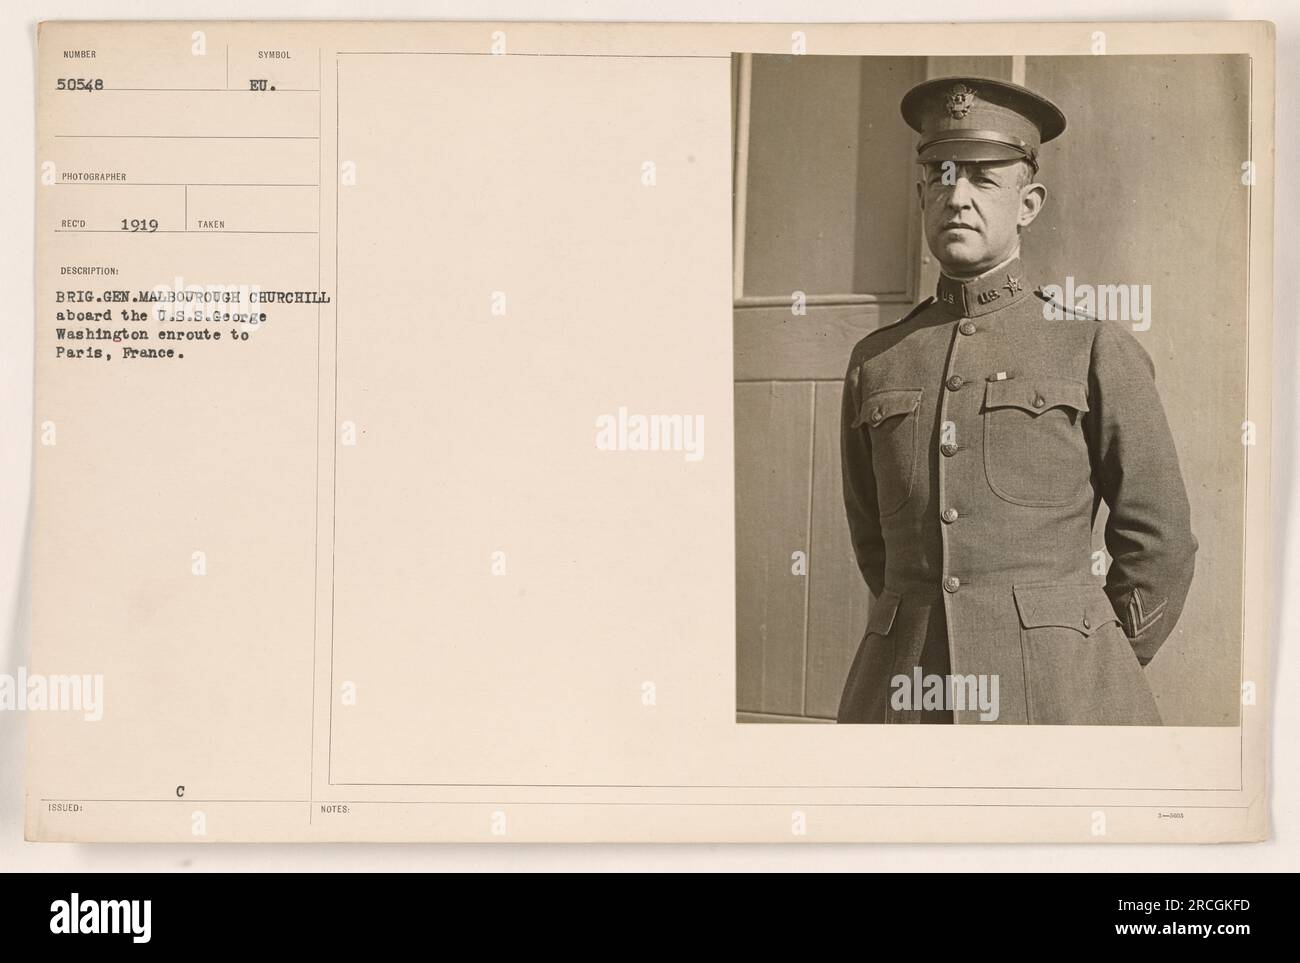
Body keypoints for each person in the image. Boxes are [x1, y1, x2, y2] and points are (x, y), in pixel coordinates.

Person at [836, 77, 1198, 724]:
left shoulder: (1091, 346)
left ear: (1028, 204)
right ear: (922, 196)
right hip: (907, 694)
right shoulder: (878, 359)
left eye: (983, 179)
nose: (957, 197)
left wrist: (1091, 660)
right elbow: (876, 547)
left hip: (1058, 694)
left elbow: (1160, 541)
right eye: (941, 177)